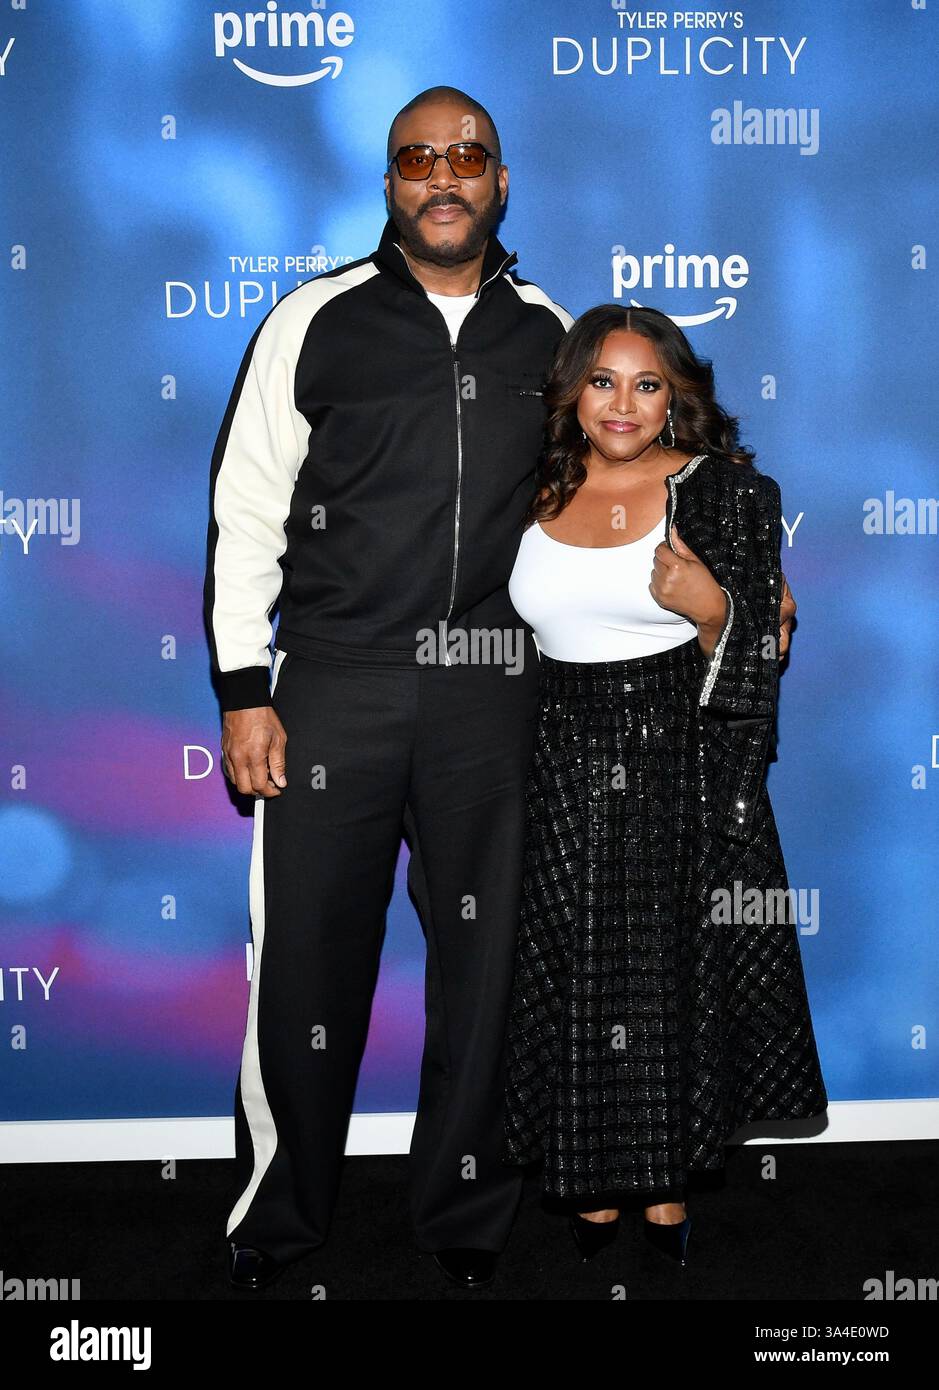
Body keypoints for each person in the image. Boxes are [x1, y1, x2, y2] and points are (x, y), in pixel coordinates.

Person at [203, 85, 575, 1292]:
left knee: (490, 971)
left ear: (501, 179)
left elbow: (627, 483)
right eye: (418, 158)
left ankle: (463, 1224)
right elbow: (245, 513)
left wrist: (737, 569)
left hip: (491, 690)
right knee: (306, 968)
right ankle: (281, 1223)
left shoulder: (550, 334)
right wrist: (242, 686)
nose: (444, 175)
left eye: (468, 153)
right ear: (389, 185)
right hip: (337, 686)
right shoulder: (313, 320)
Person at [501, 304, 828, 1266]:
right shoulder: (533, 487)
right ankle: (591, 1184)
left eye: (647, 384)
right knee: (570, 981)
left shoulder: (726, 494)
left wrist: (714, 607)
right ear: (571, 389)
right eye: (602, 380)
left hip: (676, 761)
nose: (622, 404)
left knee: (663, 987)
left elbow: (760, 653)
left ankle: (667, 1193)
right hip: (556, 762)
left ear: (676, 396)